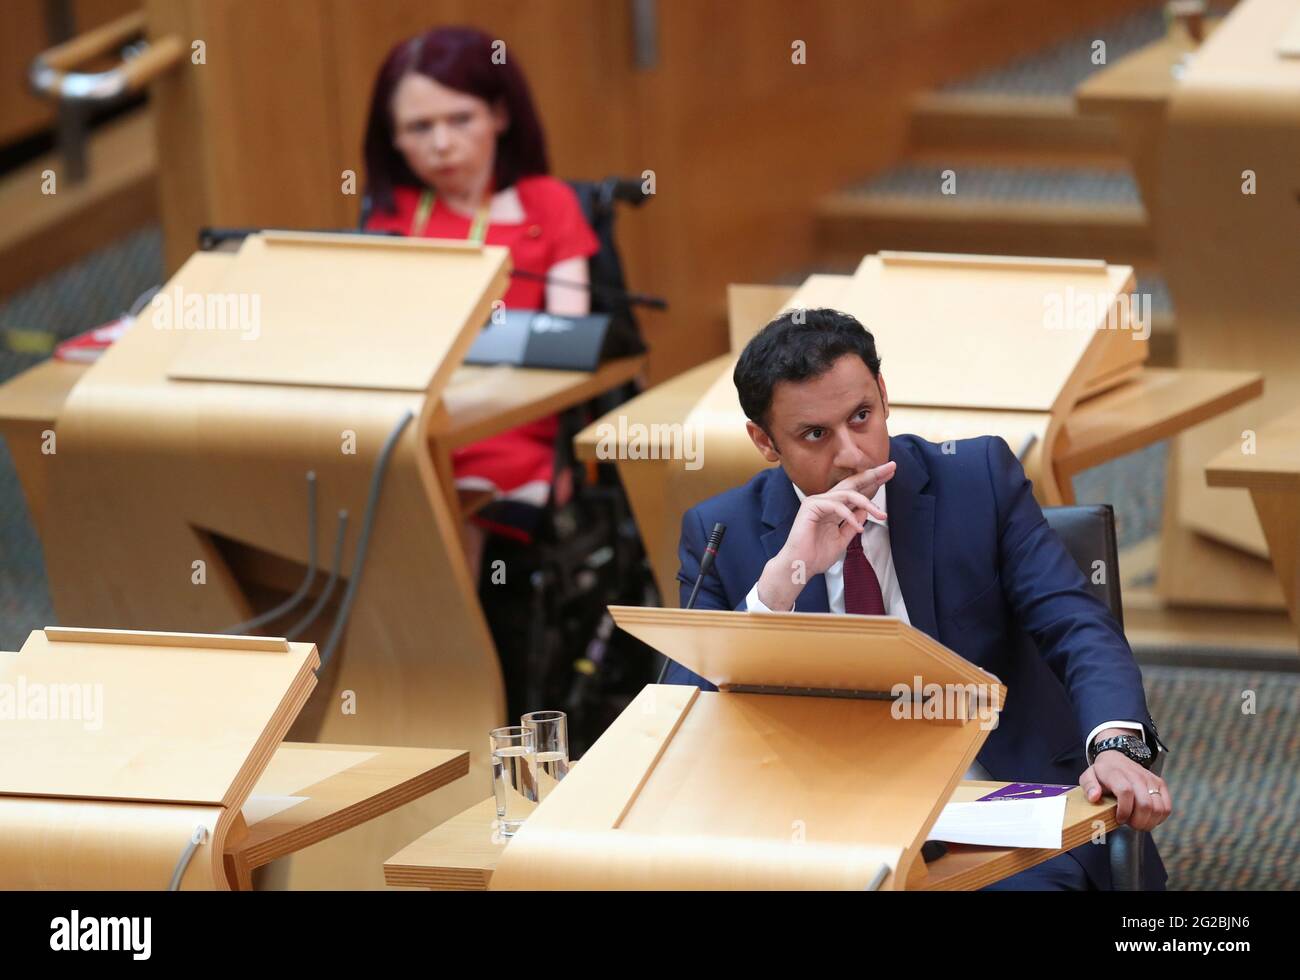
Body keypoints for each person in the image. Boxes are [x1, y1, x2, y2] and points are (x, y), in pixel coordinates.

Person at [662, 307, 1171, 890]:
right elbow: (682, 721)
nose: (852, 454)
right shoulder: (722, 533)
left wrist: (1115, 743)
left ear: (883, 394)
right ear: (764, 441)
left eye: (861, 416)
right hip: (822, 823)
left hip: (994, 805)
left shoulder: (976, 479)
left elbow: (1078, 625)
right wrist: (783, 582)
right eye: (814, 435)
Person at [361, 26, 600, 578]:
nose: (441, 144)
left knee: (448, 509)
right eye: (419, 127)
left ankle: (449, 660)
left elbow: (566, 342)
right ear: (392, 138)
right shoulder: (390, 213)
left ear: (500, 114)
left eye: (460, 120)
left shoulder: (548, 204)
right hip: (410, 416)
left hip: (510, 421)